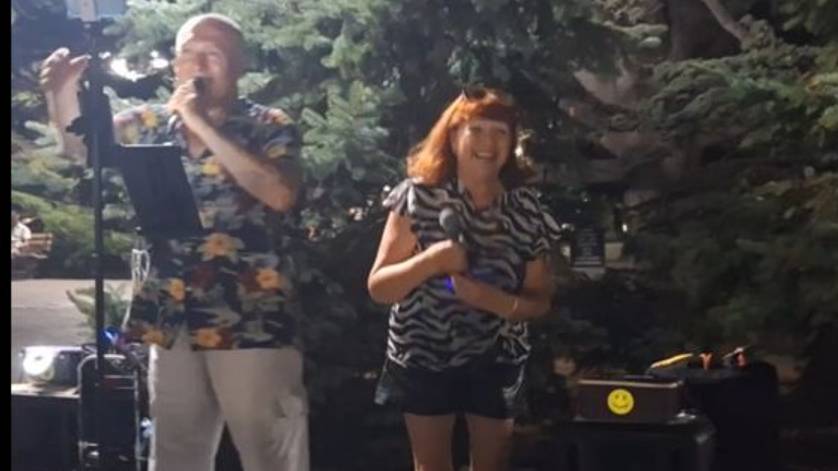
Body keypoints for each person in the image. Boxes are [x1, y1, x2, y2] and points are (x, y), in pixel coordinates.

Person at [40, 13, 308, 471]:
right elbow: (81, 149)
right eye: (188, 54)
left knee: (270, 454)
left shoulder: (268, 124)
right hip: (171, 315)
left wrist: (200, 124)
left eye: (213, 55)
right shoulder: (146, 123)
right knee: (175, 454)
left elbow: (281, 194)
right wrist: (61, 92)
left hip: (251, 317)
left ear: (239, 65)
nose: (198, 66)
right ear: (174, 65)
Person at [367, 87, 561, 471]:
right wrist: (430, 261)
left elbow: (540, 300)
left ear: (512, 143)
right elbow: (380, 288)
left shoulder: (525, 208)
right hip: (422, 352)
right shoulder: (417, 197)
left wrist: (496, 302)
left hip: (497, 356)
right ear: (454, 137)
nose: (489, 142)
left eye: (500, 132)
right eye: (477, 129)